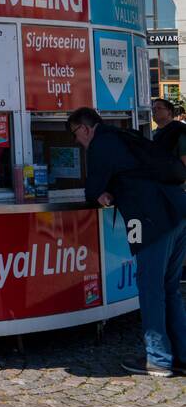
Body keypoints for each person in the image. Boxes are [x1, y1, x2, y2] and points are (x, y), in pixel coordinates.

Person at [68, 106, 186, 376]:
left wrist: (101, 193)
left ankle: (158, 359)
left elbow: (92, 189)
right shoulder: (124, 136)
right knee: (169, 287)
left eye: (75, 134)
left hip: (149, 220)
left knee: (150, 287)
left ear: (85, 128)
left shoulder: (100, 144)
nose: (76, 141)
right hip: (178, 210)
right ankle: (181, 355)